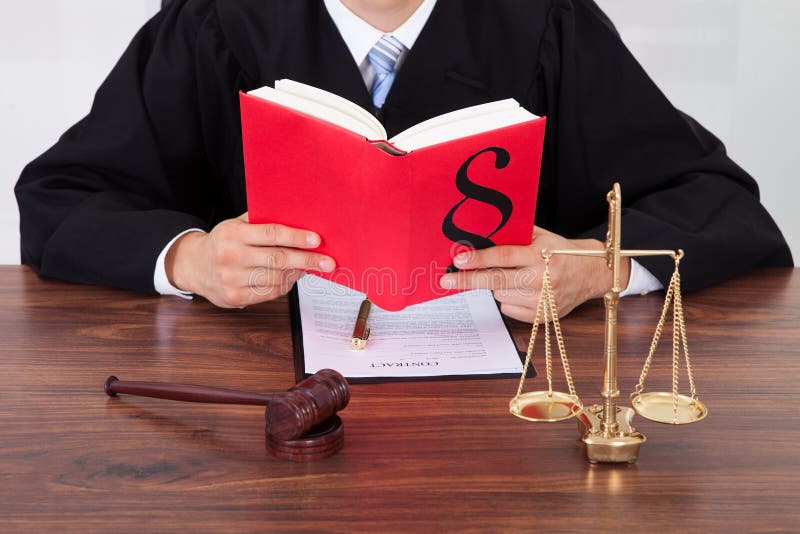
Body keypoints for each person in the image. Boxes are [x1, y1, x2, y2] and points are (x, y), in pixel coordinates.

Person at [15, 0, 793, 322]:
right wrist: (189, 258)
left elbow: (720, 202)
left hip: (511, 419)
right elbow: (62, 194)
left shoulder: (544, 23)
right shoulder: (216, 22)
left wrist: (600, 264)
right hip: (266, 407)